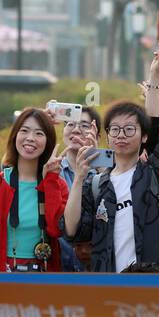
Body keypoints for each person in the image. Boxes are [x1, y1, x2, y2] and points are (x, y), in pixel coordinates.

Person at [64, 101, 159, 272]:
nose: (121, 135)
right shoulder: (97, 184)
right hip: (108, 285)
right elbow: (71, 230)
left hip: (152, 281)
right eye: (114, 129)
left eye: (129, 129)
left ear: (144, 136)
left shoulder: (155, 173)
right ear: (107, 136)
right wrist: (79, 177)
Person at [0, 108, 69, 272]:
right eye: (24, 131)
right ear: (15, 136)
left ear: (48, 142)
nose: (30, 138)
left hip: (43, 278)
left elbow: (55, 229)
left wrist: (50, 182)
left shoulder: (56, 184)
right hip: (3, 278)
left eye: (39, 133)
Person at [56, 105, 101, 272]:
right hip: (59, 267)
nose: (76, 129)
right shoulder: (51, 170)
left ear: (97, 135)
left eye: (84, 125)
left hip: (96, 270)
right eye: (70, 124)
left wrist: (100, 166)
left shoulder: (106, 173)